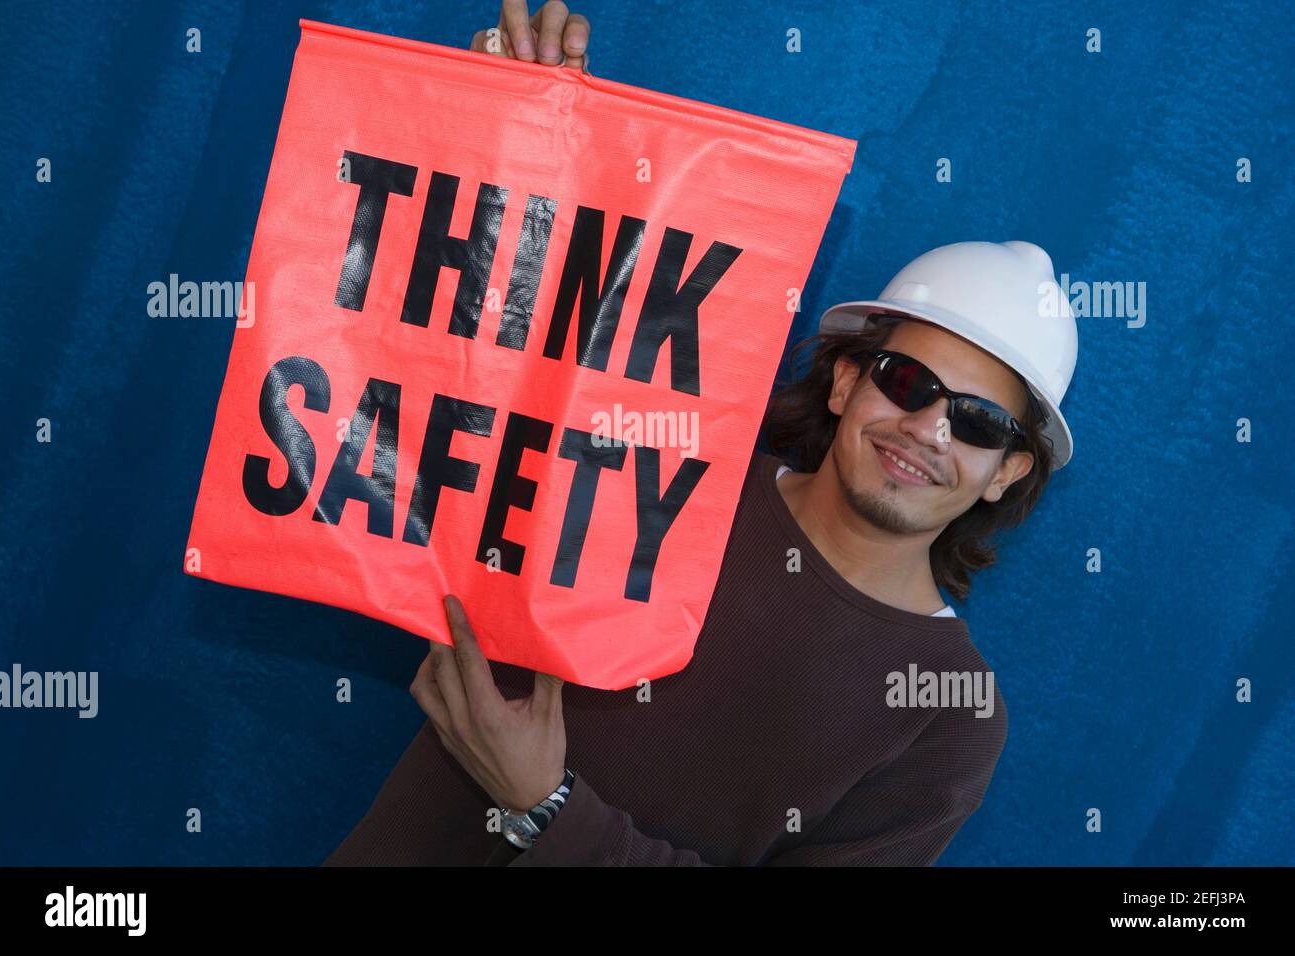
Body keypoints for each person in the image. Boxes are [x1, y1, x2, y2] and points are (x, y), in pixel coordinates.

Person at [323, 1, 1078, 866]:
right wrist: (523, 135)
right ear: (843, 380)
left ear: (1007, 474)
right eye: (906, 381)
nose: (927, 427)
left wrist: (547, 809)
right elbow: (485, 366)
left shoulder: (951, 714)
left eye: (977, 422)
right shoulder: (658, 462)